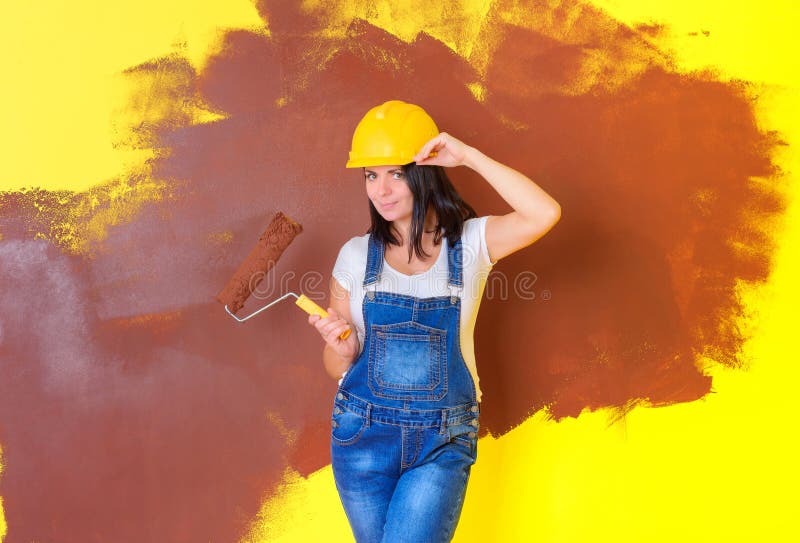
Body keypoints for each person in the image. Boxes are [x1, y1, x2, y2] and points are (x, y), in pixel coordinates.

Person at [308, 100, 561, 542]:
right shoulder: (354, 255)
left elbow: (545, 213)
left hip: (442, 442)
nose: (381, 190)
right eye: (371, 175)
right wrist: (343, 350)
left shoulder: (472, 243)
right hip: (361, 437)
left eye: (396, 173)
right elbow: (336, 364)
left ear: (424, 171)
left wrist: (468, 157)